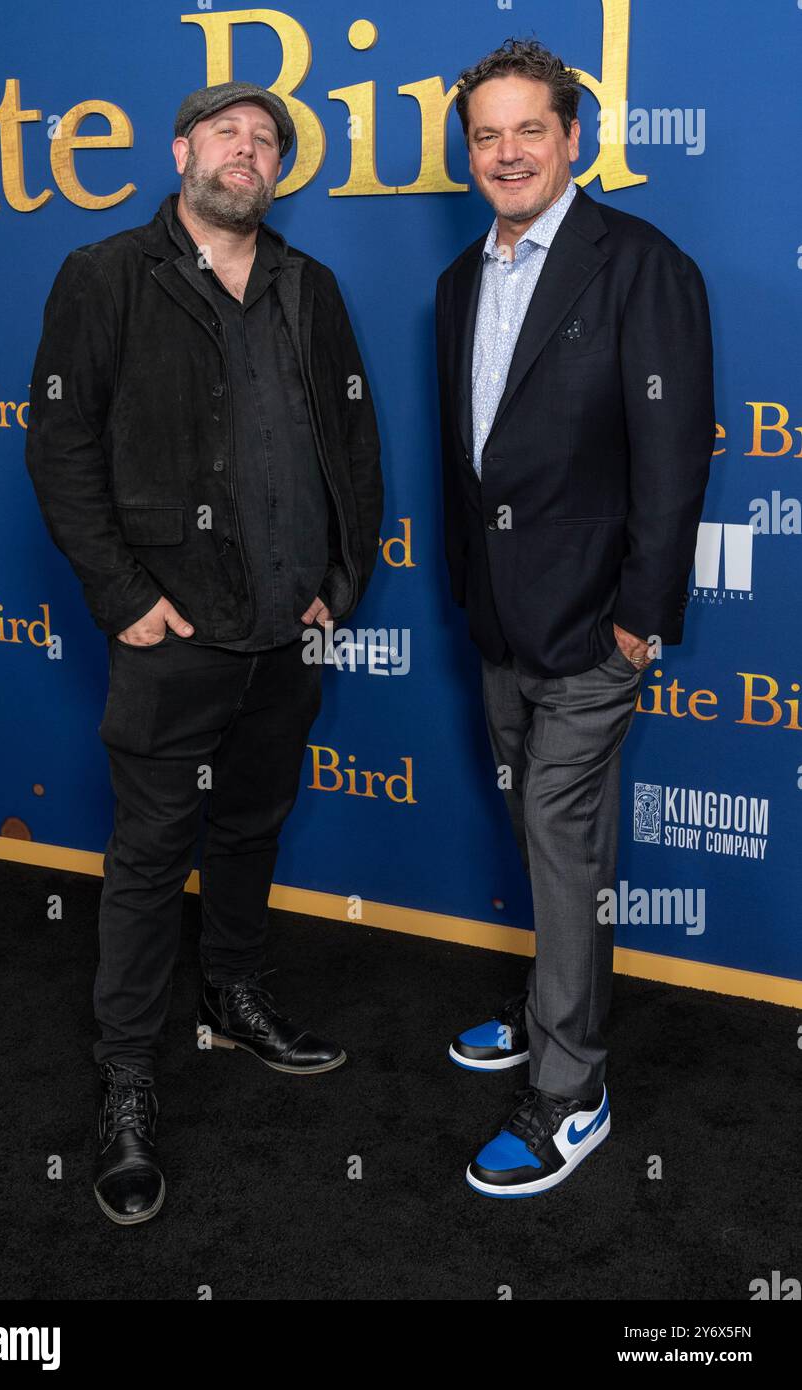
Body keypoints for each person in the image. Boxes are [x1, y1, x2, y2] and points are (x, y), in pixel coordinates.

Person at [25, 80, 383, 1224]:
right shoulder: (105, 276)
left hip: (286, 631)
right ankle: (127, 1079)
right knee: (146, 858)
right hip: (172, 635)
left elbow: (353, 440)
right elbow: (60, 443)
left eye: (266, 139)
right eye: (227, 132)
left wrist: (340, 581)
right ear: (180, 152)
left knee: (248, 828)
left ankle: (232, 995)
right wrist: (123, 596)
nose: (247, 149)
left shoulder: (306, 285)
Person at [435, 39, 714, 1196]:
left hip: (597, 621)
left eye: (527, 130)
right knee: (547, 836)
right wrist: (469, 591)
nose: (505, 152)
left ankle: (570, 1092)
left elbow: (672, 453)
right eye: (485, 134)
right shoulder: (459, 280)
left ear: (571, 139)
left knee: (557, 832)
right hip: (498, 621)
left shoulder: (640, 264)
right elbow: (471, 456)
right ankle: (556, 1000)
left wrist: (640, 616)